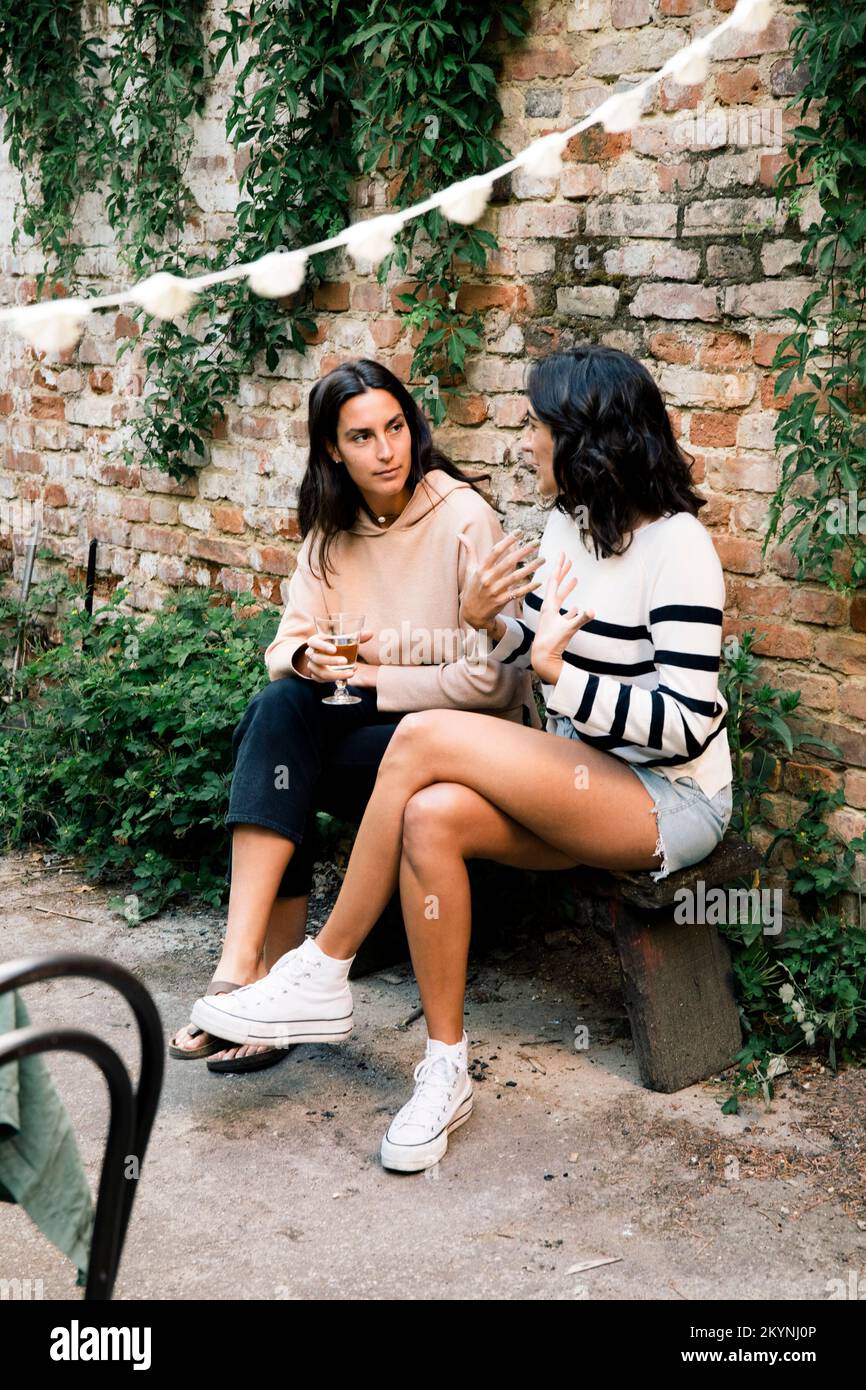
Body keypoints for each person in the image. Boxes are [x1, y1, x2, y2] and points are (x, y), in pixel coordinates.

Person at [191, 344, 734, 1163]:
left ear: (582, 437)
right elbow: (534, 645)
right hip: (575, 774)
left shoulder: (680, 548)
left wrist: (558, 678)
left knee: (421, 737)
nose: (524, 442)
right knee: (430, 813)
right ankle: (444, 1071)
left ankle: (322, 967)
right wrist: (496, 625)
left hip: (668, 800)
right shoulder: (568, 527)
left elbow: (686, 725)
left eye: (535, 425)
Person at [170, 357, 538, 1072]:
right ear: (333, 449)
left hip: (462, 747)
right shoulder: (331, 527)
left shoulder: (462, 516)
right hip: (366, 738)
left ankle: (274, 990)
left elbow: (499, 683)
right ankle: (246, 970)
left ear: (413, 426)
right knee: (278, 711)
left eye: (396, 428)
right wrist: (307, 662)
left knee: (278, 747)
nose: (387, 450)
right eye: (363, 437)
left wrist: (373, 676)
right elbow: (288, 642)